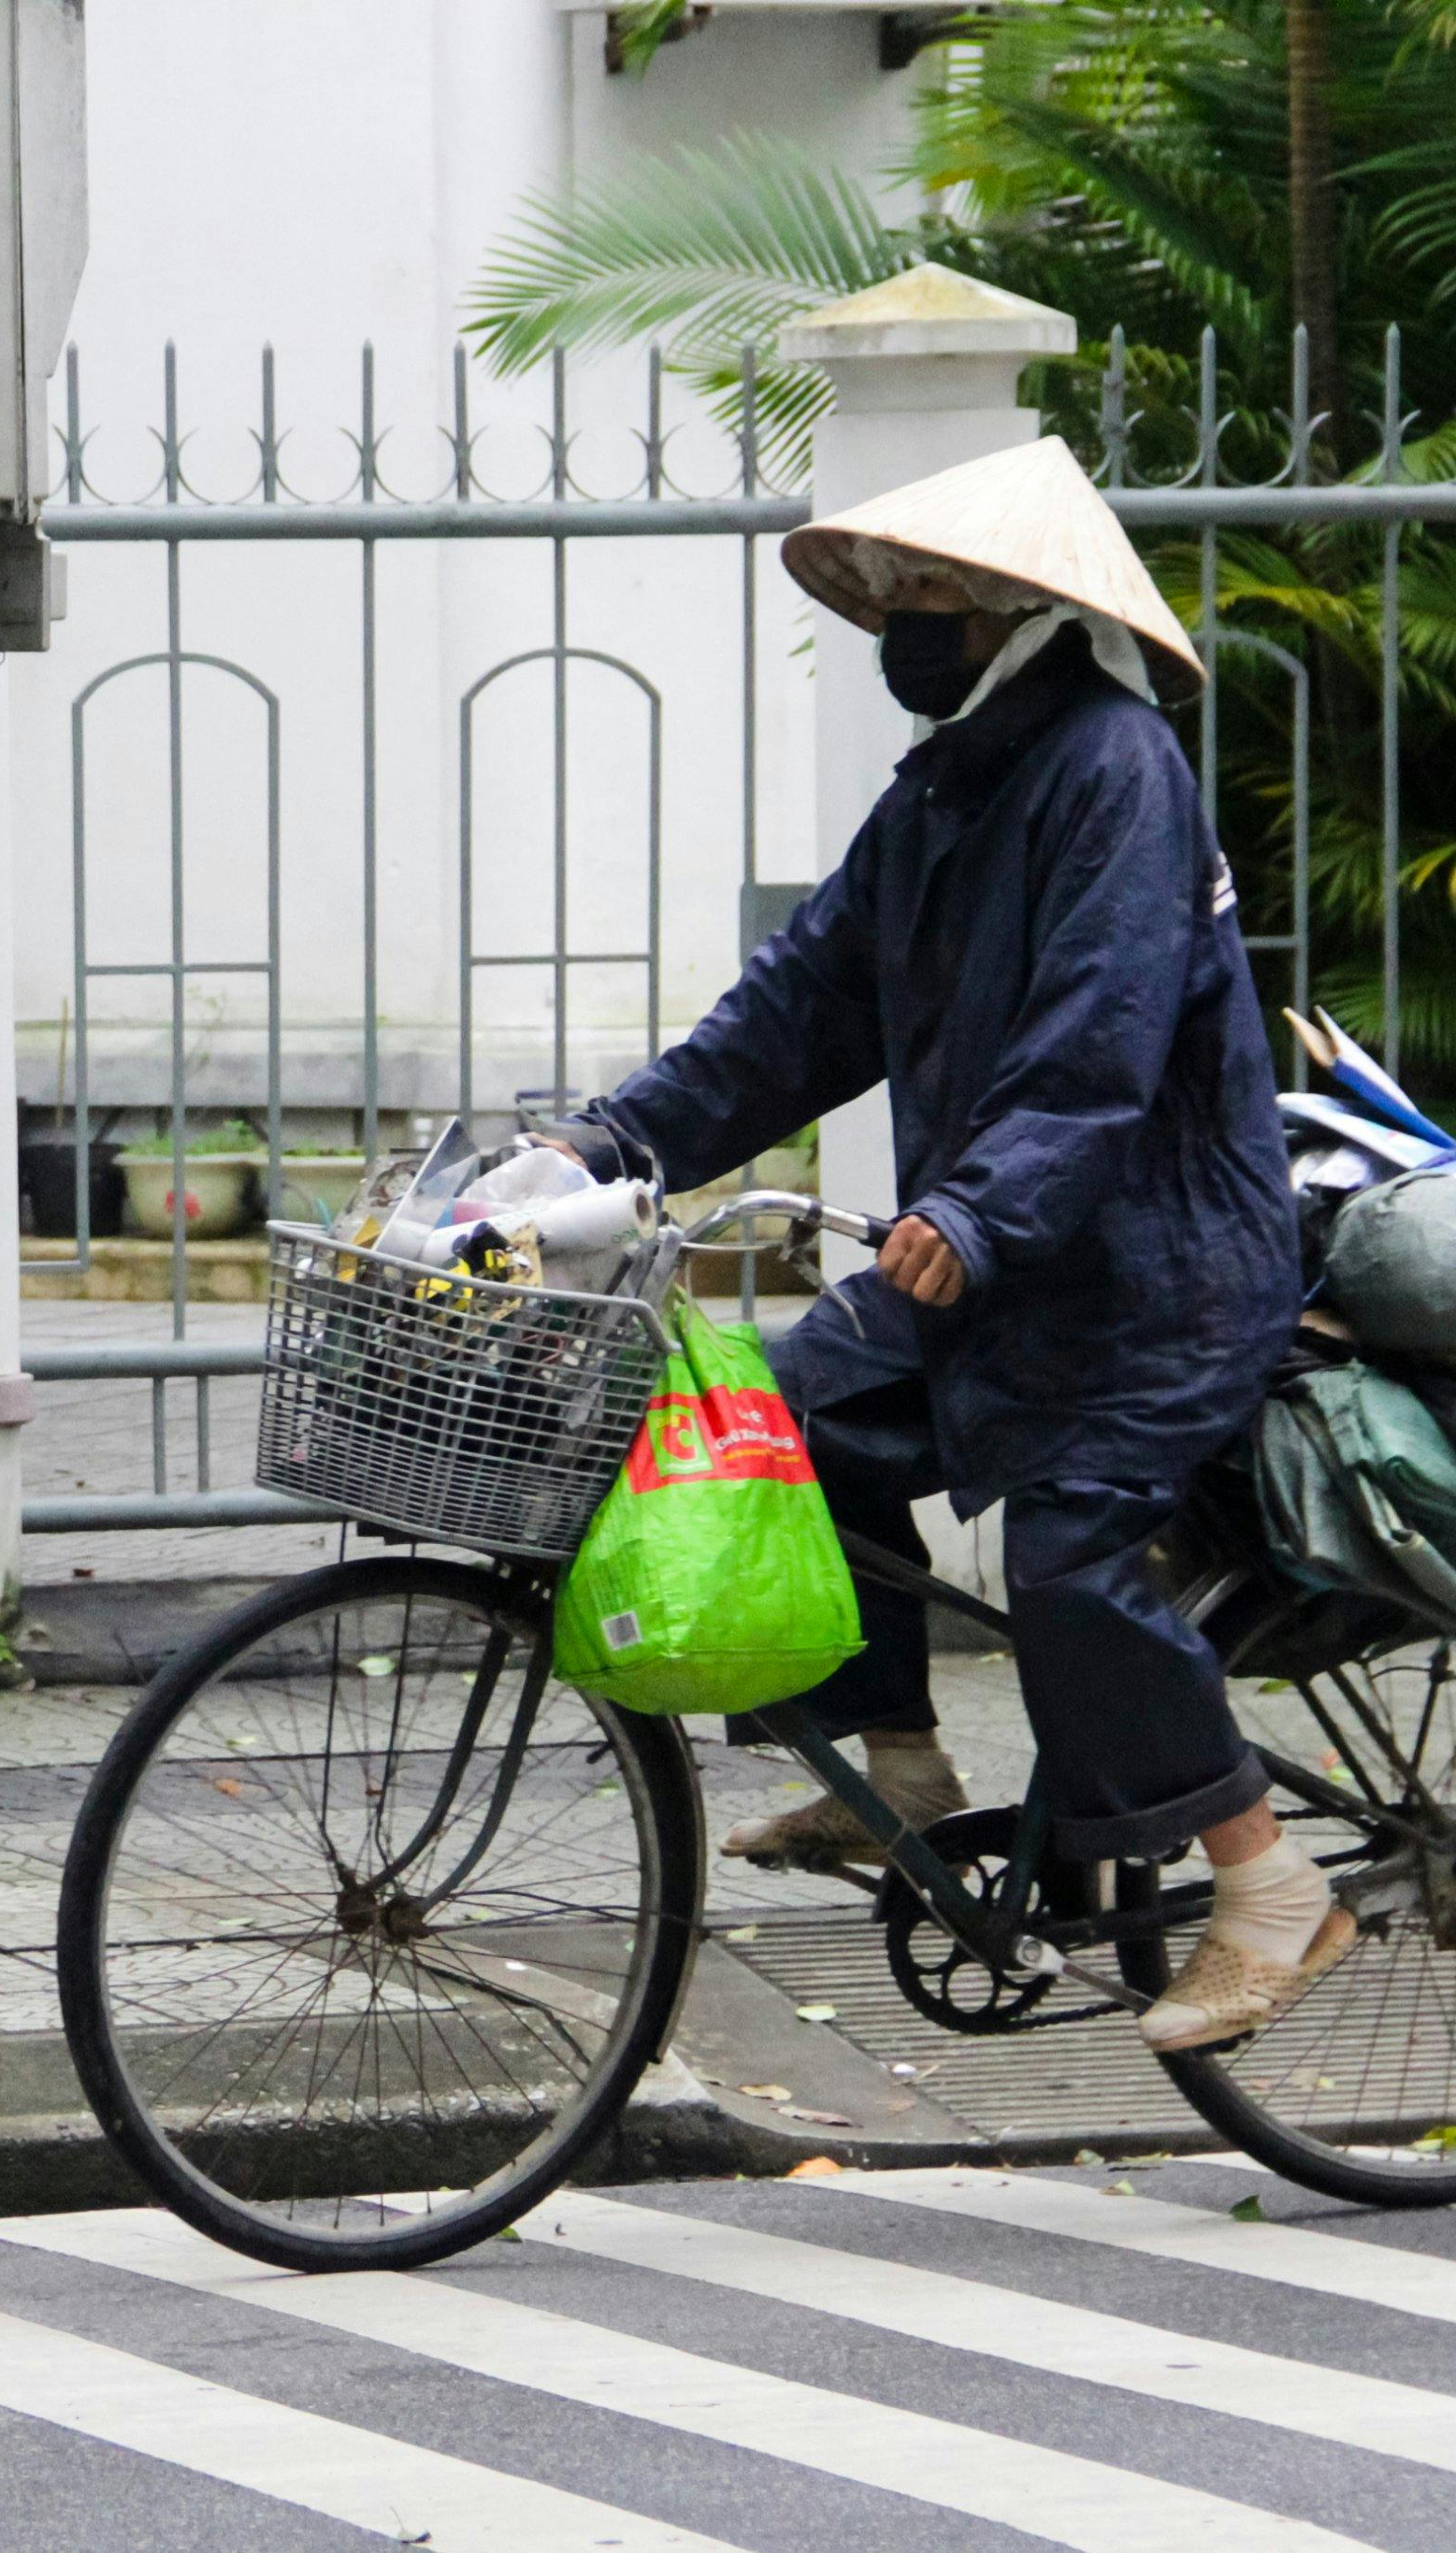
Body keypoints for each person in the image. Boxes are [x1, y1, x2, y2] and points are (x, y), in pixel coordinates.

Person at [541, 436, 1337, 2052]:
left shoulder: (1117, 772)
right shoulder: (947, 791)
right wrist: (602, 1145)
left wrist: (978, 1211)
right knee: (770, 1419)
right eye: (892, 591)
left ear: (1006, 604)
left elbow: (1098, 1044)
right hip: (1002, 1264)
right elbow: (790, 1018)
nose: (899, 616)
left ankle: (1266, 1884)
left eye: (924, 591)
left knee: (1069, 1565)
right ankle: (893, 1779)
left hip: (1151, 1278)